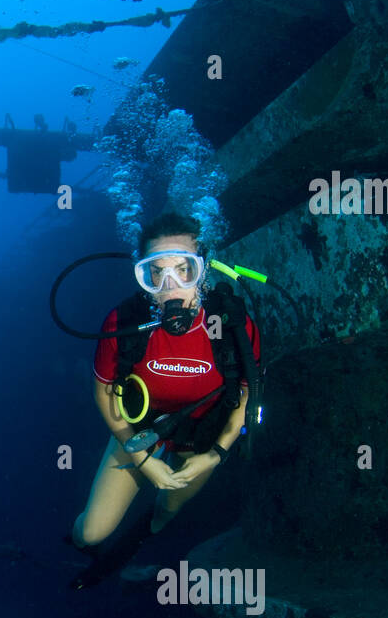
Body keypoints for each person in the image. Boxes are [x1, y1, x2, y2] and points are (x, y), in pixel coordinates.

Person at [71, 211, 261, 564]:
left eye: (184, 269)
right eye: (157, 273)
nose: (171, 285)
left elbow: (246, 397)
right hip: (137, 431)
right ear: (143, 276)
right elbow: (104, 392)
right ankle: (77, 545)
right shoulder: (123, 322)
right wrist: (143, 460)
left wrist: (215, 453)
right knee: (91, 532)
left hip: (202, 437)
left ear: (202, 271)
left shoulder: (233, 324)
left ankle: (151, 528)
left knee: (169, 508)